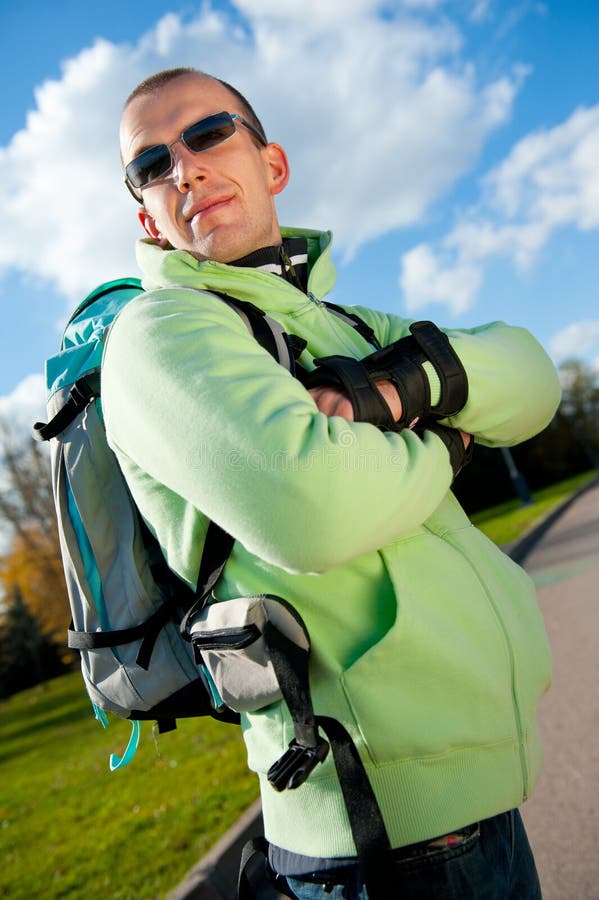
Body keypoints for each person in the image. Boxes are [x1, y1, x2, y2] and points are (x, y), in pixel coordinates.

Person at [103, 66, 561, 899]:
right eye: (151, 164)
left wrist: (393, 389)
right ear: (147, 215)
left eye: (208, 134)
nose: (185, 168)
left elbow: (530, 377)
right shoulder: (159, 332)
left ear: (271, 165)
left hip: (480, 802)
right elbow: (313, 510)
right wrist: (449, 439)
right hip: (380, 834)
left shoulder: (347, 327)